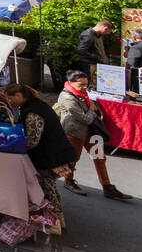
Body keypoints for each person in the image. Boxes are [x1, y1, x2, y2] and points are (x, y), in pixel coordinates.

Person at [4, 83, 78, 224]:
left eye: (11, 98)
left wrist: (12, 146)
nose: (10, 101)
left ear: (19, 95)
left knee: (47, 186)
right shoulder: (36, 105)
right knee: (50, 186)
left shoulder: (33, 112)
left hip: (51, 157)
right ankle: (58, 217)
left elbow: (33, 140)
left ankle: (56, 220)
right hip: (60, 154)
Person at [55, 70, 132, 200]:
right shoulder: (67, 97)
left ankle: (107, 187)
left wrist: (91, 107)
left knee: (99, 157)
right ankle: (68, 180)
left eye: (86, 84)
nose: (85, 88)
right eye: (81, 85)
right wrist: (91, 109)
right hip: (75, 132)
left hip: (91, 132)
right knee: (72, 159)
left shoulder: (82, 93)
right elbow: (85, 118)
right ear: (71, 83)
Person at [127, 29, 142, 96]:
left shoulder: (135, 48)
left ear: (134, 38)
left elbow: (130, 69)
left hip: (140, 83)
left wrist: (128, 88)